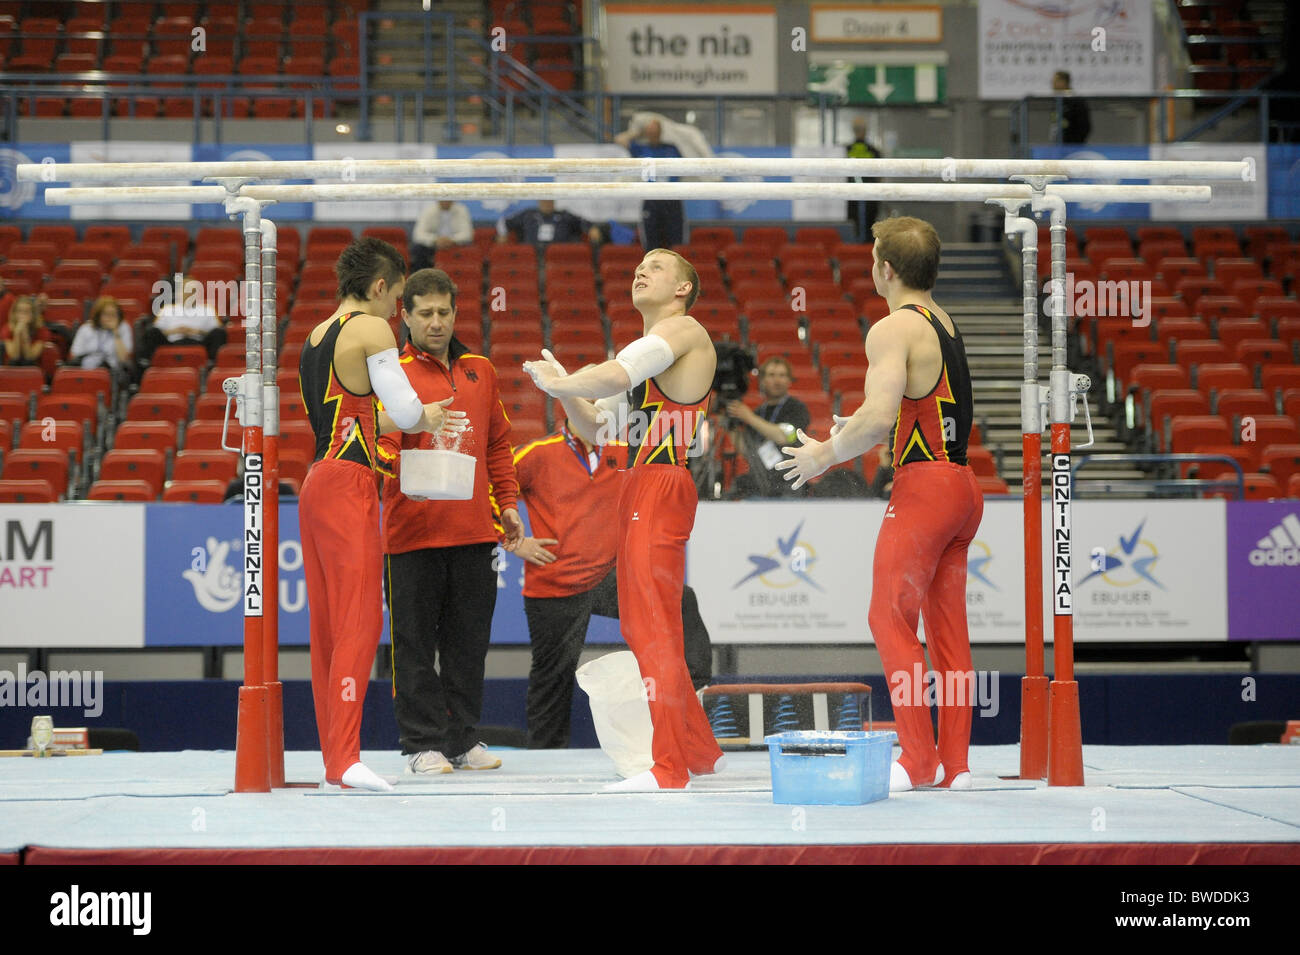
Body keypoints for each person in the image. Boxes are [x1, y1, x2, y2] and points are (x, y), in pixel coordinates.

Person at [777, 216, 981, 793]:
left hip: (926, 492)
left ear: (885, 270)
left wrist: (824, 454)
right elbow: (924, 408)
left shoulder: (893, 327)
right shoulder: (944, 321)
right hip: (963, 487)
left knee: (888, 617)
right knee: (948, 633)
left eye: (872, 257)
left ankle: (918, 761)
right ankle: (957, 764)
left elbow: (877, 417)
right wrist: (869, 427)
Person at [524, 248, 725, 791]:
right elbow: (594, 426)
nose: (642, 270)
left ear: (683, 288)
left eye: (657, 267)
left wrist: (562, 384)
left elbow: (615, 373)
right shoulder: (652, 356)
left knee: (651, 628)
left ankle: (667, 768)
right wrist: (566, 387)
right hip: (644, 482)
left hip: (659, 484)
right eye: (639, 265)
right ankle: (697, 751)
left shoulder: (682, 331)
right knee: (648, 624)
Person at [298, 237, 466, 792]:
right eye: (398, 298)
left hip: (319, 479)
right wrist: (425, 414)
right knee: (363, 619)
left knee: (327, 627)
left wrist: (416, 417)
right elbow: (402, 408)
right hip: (348, 486)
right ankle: (345, 758)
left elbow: (361, 420)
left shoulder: (315, 336)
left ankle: (333, 759)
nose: (399, 312)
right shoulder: (369, 327)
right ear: (378, 287)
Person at [375, 267, 525, 776]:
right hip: (410, 535)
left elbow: (498, 444)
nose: (436, 322)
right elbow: (382, 446)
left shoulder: (480, 369)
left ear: (456, 314)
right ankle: (421, 743)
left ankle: (462, 740)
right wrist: (407, 469)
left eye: (444, 313)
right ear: (406, 315)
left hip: (474, 533)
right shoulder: (391, 372)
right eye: (425, 313)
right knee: (413, 646)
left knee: (467, 646)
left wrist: (508, 503)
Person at [513, 415, 713, 749]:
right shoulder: (538, 453)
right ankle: (545, 758)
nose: (595, 410)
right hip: (555, 581)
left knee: (680, 598)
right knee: (553, 675)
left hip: (607, 577)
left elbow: (666, 474)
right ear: (570, 407)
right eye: (587, 401)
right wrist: (512, 541)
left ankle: (694, 687)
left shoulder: (626, 453)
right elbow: (488, 485)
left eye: (600, 401)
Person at [614, 116, 705, 251]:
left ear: (661, 132)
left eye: (655, 130)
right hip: (651, 199)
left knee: (677, 245)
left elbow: (689, 158)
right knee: (651, 246)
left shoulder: (672, 148)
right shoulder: (641, 149)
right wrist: (639, 132)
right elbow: (619, 139)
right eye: (649, 131)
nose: (652, 133)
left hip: (672, 198)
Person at [725, 356, 811, 498]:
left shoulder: (796, 408)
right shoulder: (759, 412)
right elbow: (748, 450)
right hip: (759, 481)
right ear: (762, 381)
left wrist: (749, 417)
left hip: (788, 483)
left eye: (782, 375)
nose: (777, 380)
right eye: (771, 375)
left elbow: (784, 437)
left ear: (789, 380)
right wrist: (730, 426)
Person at [142, 274, 227, 362]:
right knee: (151, 332)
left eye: (192, 291)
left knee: (219, 333)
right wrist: (174, 331)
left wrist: (198, 331)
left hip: (198, 342)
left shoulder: (208, 310)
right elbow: (157, 330)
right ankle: (146, 363)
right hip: (173, 342)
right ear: (179, 292)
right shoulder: (167, 309)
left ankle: (213, 363)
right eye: (185, 290)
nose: (188, 294)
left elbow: (216, 331)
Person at [69, 296, 134, 383]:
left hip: (112, 373)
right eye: (106, 314)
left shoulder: (123, 328)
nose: (110, 318)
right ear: (98, 315)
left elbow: (124, 359)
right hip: (85, 371)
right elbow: (75, 355)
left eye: (114, 314)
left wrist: (116, 332)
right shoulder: (86, 328)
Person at [496, 199, 602, 248]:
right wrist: (502, 234)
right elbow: (503, 223)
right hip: (532, 253)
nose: (547, 203)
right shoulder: (528, 215)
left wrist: (592, 229)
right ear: (539, 201)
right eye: (544, 200)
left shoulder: (564, 215)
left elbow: (583, 222)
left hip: (559, 255)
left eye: (549, 201)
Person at [2, 295, 59, 379]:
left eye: (27, 312)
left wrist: (25, 335)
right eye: (19, 311)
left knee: (27, 363)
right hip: (11, 370)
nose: (23, 315)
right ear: (14, 313)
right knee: (13, 363)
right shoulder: (7, 329)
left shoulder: (42, 331)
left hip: (34, 371)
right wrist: (17, 334)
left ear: (33, 314)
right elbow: (14, 357)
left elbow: (30, 357)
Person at [846, 116, 883, 242]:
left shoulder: (846, 150)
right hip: (869, 197)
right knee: (869, 228)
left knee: (853, 227)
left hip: (851, 197)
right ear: (865, 131)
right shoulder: (874, 151)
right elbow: (880, 175)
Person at [410, 199, 473, 272]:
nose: (445, 201)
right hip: (433, 246)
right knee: (419, 250)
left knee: (470, 251)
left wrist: (452, 240)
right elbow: (418, 234)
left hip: (455, 245)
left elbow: (467, 234)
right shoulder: (429, 210)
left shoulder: (462, 210)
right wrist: (435, 240)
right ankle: (422, 278)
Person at [1051, 70, 1091, 145]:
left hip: (1072, 147)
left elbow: (1085, 127)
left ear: (1063, 82)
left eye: (1055, 82)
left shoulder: (1076, 102)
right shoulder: (1058, 101)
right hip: (1058, 146)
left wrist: (1074, 145)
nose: (1052, 85)